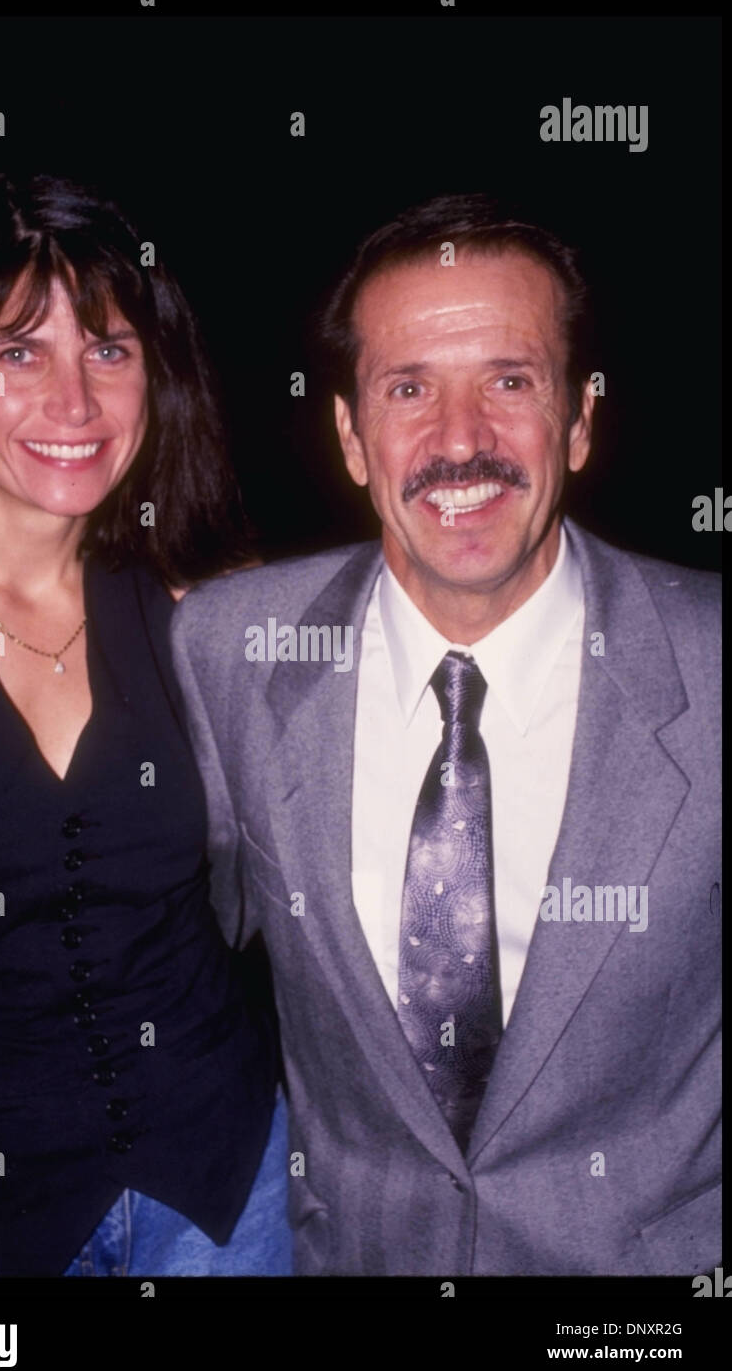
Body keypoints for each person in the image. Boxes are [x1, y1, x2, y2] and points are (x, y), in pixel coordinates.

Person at [170, 193, 721, 1276]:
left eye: (508, 382)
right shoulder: (230, 650)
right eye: (407, 388)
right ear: (350, 436)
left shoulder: (710, 665)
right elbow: (168, 955)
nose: (458, 440)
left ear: (576, 417)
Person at [0, 172, 289, 1278]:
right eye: (19, 351)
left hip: (221, 1187)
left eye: (108, 350)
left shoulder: (204, 613)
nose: (75, 400)